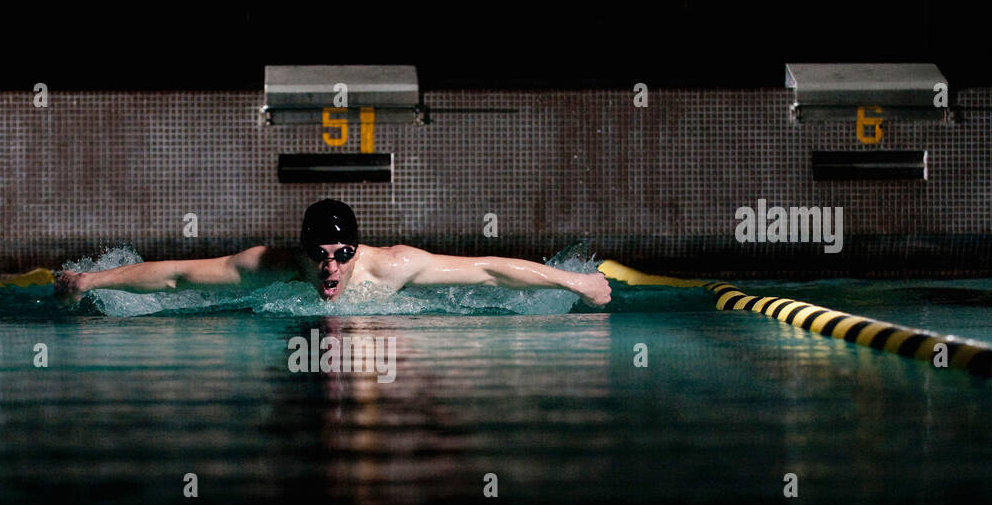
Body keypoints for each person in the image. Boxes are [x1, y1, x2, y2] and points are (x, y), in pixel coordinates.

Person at [53, 199, 612, 307]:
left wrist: (573, 281)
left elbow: (488, 270)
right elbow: (177, 278)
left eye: (342, 253)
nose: (330, 267)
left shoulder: (390, 265)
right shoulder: (271, 265)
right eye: (319, 254)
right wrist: (93, 283)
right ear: (301, 252)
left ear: (357, 249)